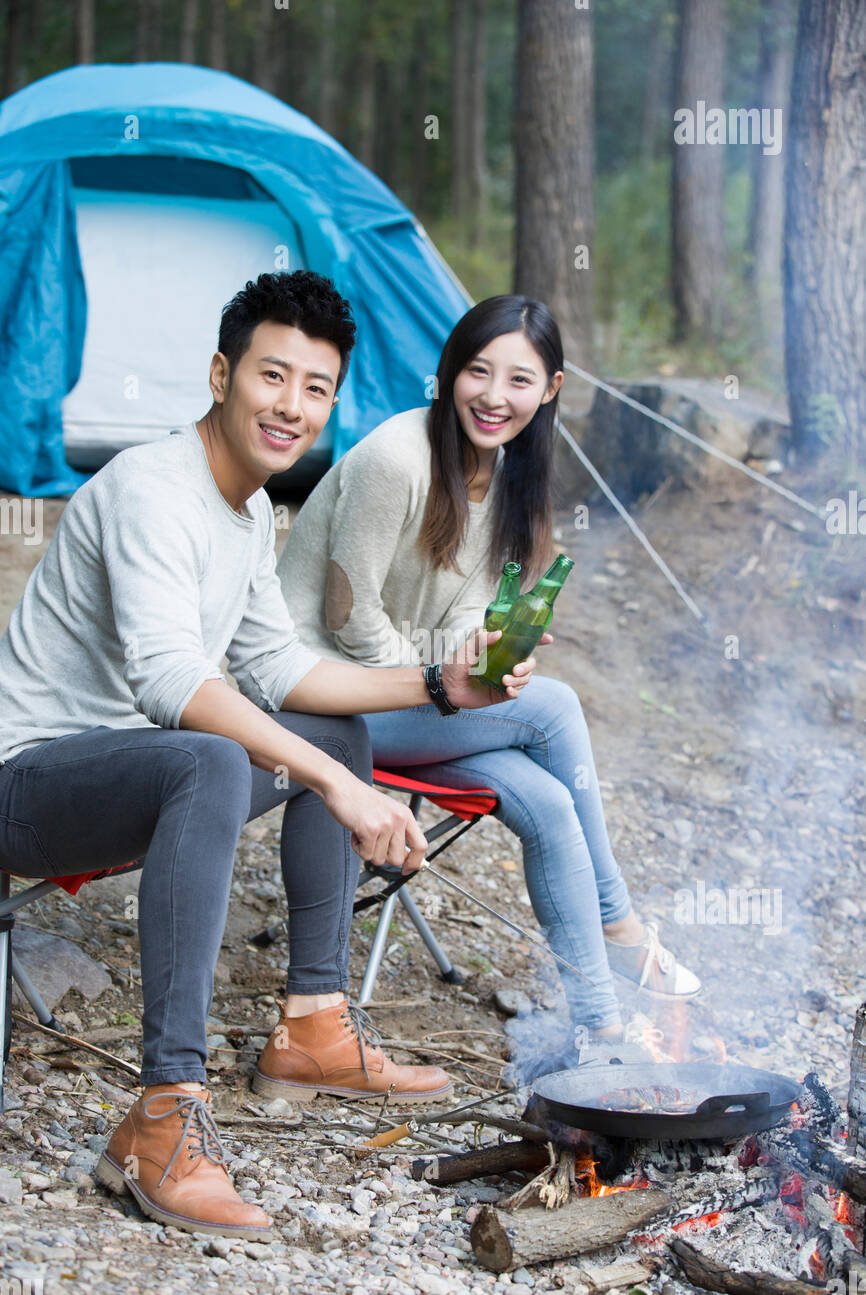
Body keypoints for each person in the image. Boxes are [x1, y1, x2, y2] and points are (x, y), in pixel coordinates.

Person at [0, 272, 538, 1241]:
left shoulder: (248, 511)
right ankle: (163, 1113)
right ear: (220, 373)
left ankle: (312, 1025)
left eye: (316, 388)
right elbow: (170, 681)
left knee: (334, 730)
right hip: (28, 786)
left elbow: (280, 665)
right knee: (208, 756)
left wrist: (435, 686)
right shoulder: (150, 489)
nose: (291, 406)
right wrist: (340, 790)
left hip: (127, 772)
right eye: (272, 376)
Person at [277, 294, 701, 1069]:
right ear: (447, 374)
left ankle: (601, 1032)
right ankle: (621, 928)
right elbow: (346, 618)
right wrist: (443, 679)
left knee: (545, 798)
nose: (494, 396)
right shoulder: (394, 459)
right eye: (478, 372)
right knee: (557, 707)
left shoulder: (506, 475)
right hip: (320, 699)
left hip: (413, 699)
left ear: (551, 390)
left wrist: (492, 661)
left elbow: (471, 612)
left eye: (518, 380)